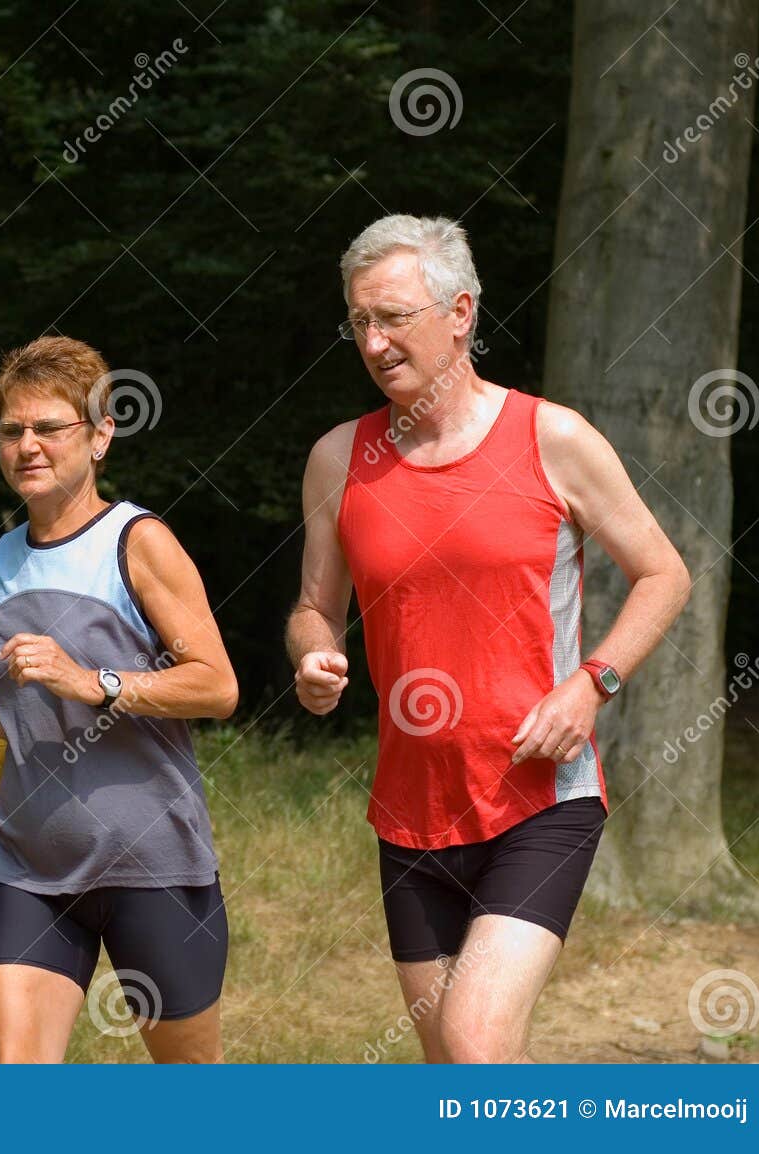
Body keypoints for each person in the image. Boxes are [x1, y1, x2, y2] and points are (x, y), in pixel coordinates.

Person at [288, 214, 691, 1063]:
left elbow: (664, 574)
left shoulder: (554, 438)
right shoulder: (337, 459)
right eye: (360, 322)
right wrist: (312, 653)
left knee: (474, 1041)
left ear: (461, 313)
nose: (374, 341)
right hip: (410, 812)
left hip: (540, 797)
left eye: (393, 317)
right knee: (456, 1073)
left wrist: (592, 684)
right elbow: (313, 606)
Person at [0, 335, 238, 1064]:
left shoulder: (137, 541)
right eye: (11, 430)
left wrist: (96, 682)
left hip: (151, 862)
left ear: (99, 435)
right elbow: (22, 707)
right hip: (28, 864)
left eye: (48, 427)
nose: (27, 446)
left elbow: (217, 685)